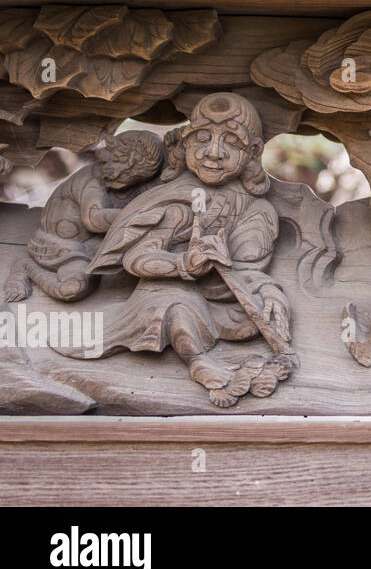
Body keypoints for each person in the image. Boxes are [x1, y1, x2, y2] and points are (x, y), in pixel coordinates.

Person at [56, 93, 293, 407]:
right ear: (184, 144)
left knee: (255, 315)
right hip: (167, 289)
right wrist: (184, 264)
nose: (213, 153)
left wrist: (268, 291)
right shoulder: (176, 200)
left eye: (232, 143)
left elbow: (248, 269)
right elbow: (136, 258)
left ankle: (237, 358)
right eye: (201, 140)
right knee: (174, 302)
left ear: (252, 152)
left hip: (220, 301)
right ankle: (198, 362)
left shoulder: (257, 210)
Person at [5, 130, 164, 303]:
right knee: (71, 289)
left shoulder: (120, 182)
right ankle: (26, 267)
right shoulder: (92, 182)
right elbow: (94, 220)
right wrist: (140, 216)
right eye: (126, 173)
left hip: (90, 245)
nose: (126, 180)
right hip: (61, 248)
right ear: (114, 157)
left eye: (135, 177)